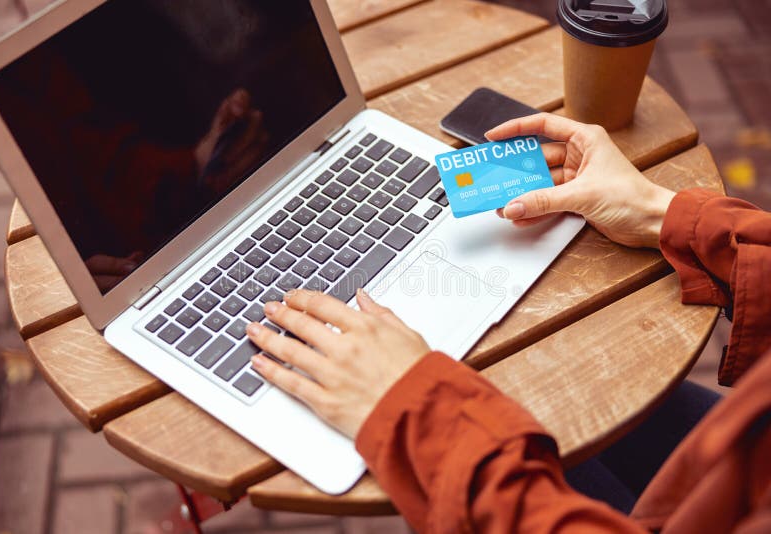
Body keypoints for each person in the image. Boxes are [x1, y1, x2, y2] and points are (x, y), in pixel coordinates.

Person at [244, 113, 771, 533]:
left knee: (523, 395)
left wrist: (414, 410)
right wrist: (662, 213)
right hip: (746, 444)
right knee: (549, 392)